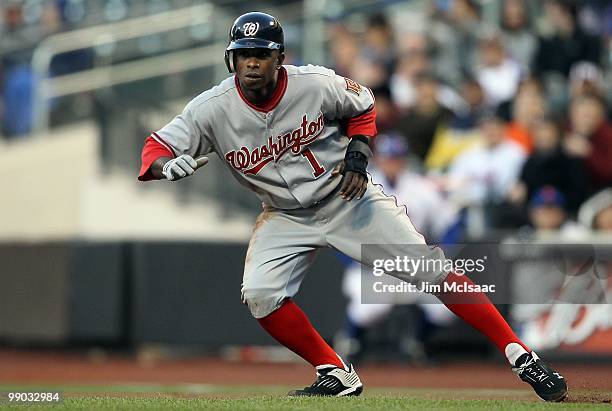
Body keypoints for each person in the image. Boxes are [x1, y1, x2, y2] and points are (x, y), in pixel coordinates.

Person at [138, 12, 567, 401]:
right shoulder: (212, 108)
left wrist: (359, 154)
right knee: (260, 295)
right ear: (230, 60)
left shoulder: (314, 82)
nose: (252, 63)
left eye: (261, 54)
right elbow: (156, 146)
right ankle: (335, 371)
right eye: (243, 54)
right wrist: (163, 167)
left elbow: (363, 105)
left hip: (345, 197)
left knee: (430, 270)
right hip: (283, 213)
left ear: (280, 58)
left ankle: (521, 355)